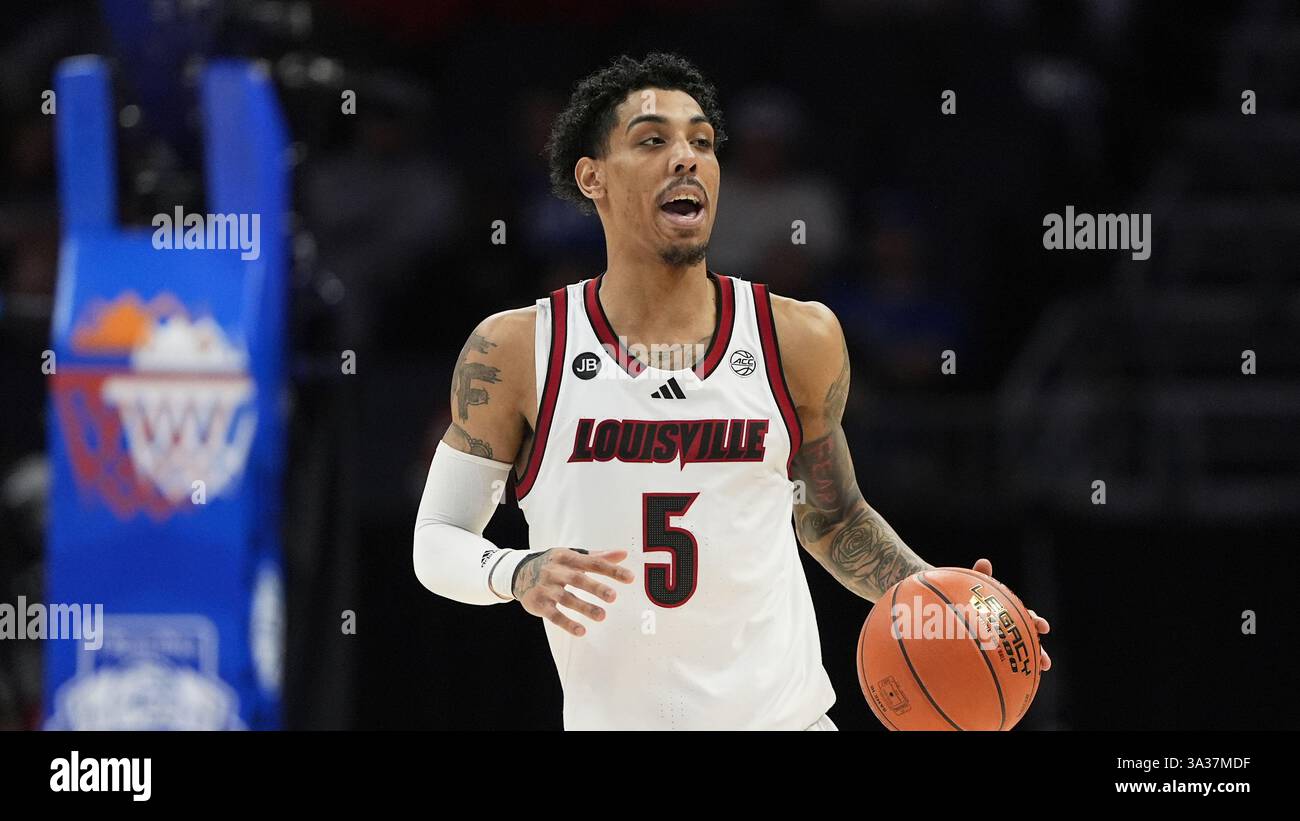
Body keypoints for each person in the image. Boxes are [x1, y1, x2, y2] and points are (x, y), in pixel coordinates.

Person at [413, 53, 1050, 730]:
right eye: (653, 140)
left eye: (702, 142)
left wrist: (942, 599)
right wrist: (515, 572)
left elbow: (832, 517)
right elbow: (438, 537)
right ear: (592, 176)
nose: (686, 158)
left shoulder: (797, 336)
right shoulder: (518, 350)